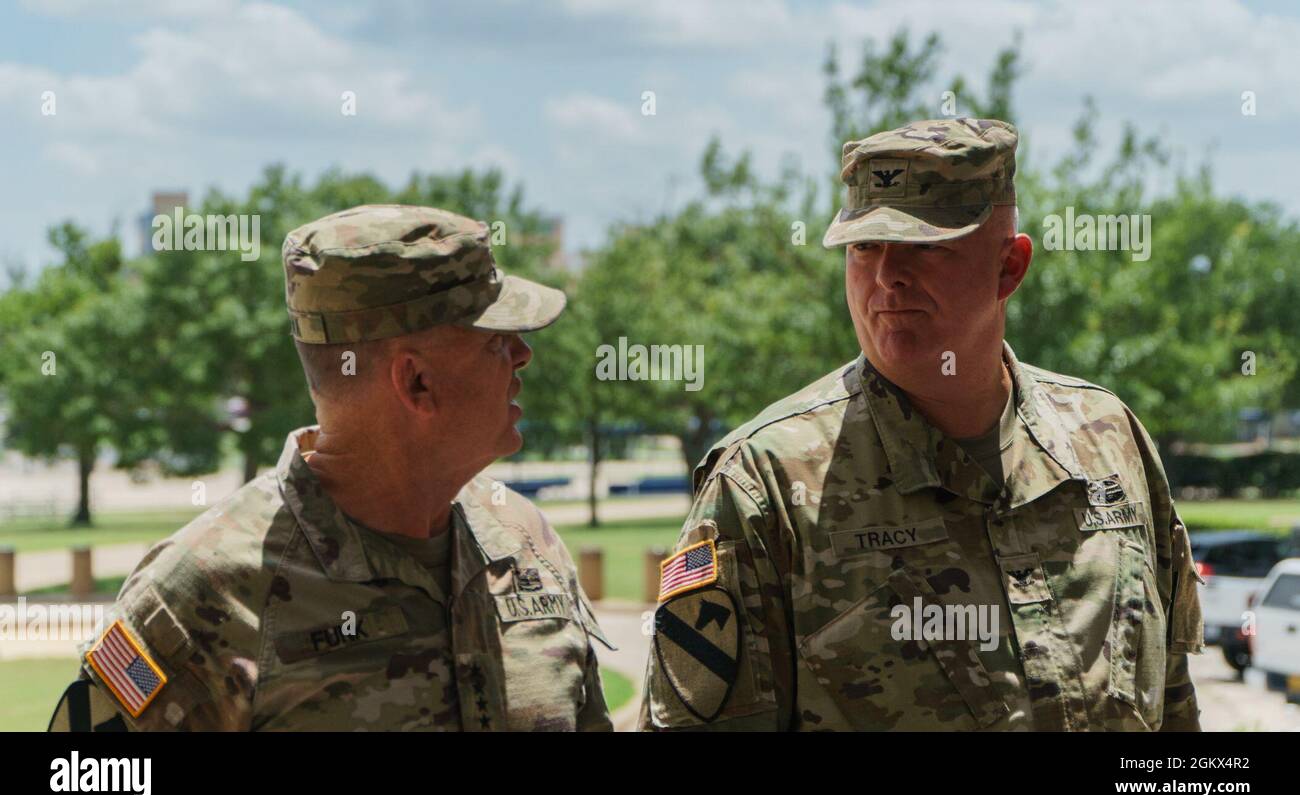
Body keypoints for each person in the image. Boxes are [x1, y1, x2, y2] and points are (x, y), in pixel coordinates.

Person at [639, 118, 1205, 731]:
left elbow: (1171, 701)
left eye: (926, 247)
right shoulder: (765, 483)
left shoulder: (1107, 437)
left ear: (1009, 268)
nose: (886, 278)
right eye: (864, 248)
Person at [49, 204, 613, 731]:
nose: (522, 355)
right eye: (495, 341)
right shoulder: (204, 595)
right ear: (416, 381)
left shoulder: (526, 542)